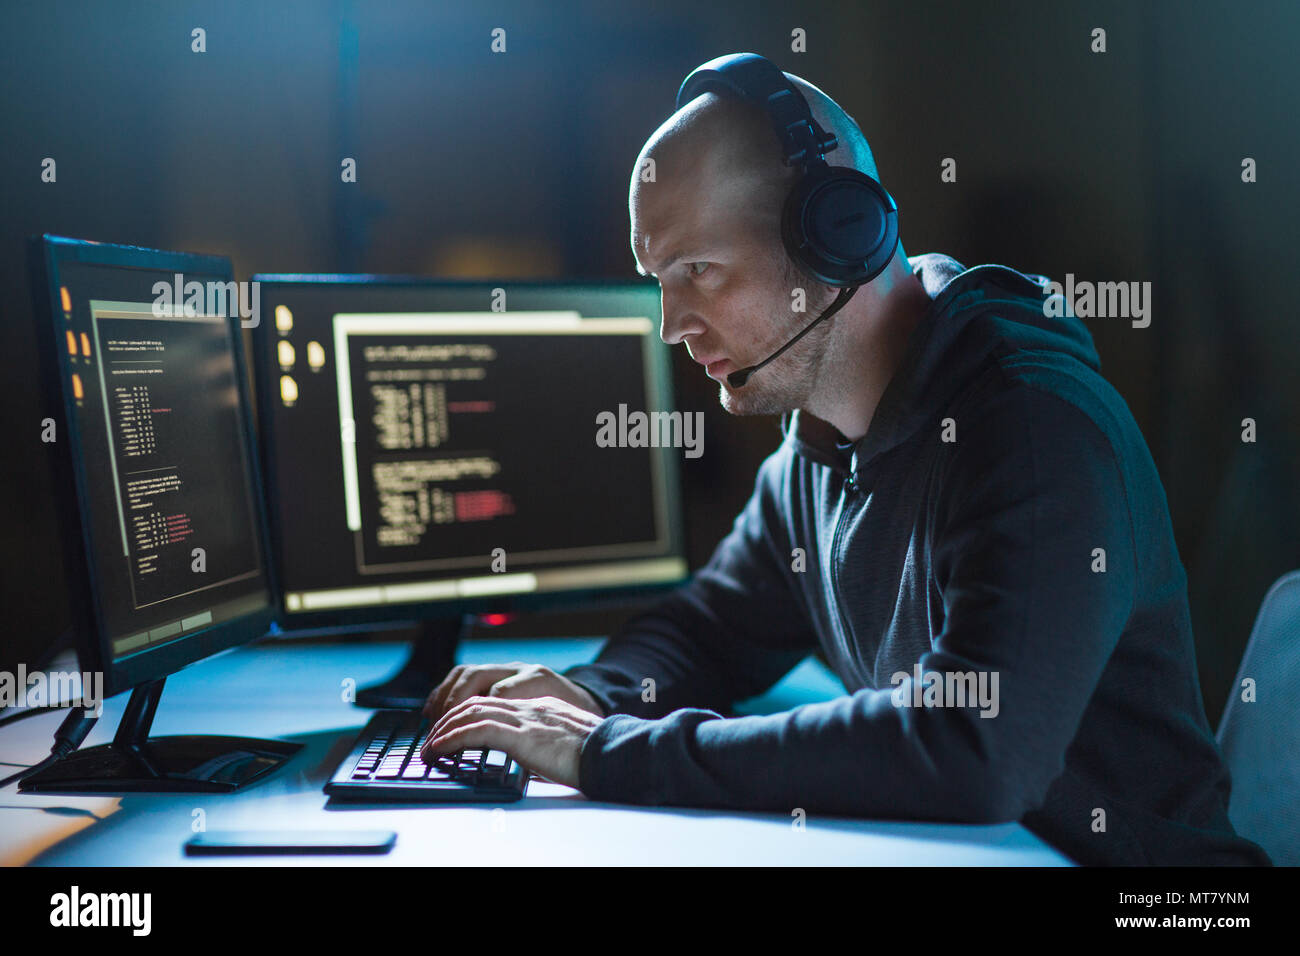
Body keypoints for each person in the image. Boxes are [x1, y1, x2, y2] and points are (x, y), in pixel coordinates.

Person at [419, 54, 1269, 866]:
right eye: (658, 279)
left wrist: (613, 754)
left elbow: (974, 747)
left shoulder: (1031, 426)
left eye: (700, 271)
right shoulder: (817, 443)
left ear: (838, 237)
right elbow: (712, 629)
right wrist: (592, 696)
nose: (671, 323)